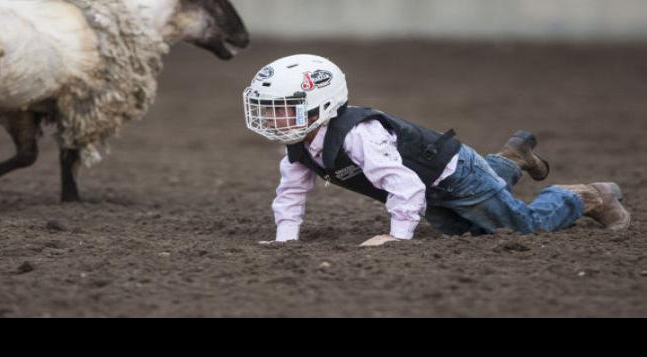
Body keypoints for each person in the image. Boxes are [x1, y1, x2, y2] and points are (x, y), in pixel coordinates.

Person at [242, 54, 631, 247]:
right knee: (470, 231)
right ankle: (511, 159)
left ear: (323, 103)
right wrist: (285, 238)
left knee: (520, 227)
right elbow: (290, 193)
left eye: (283, 110)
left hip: (452, 176)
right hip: (435, 184)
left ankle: (587, 196)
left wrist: (397, 236)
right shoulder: (299, 147)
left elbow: (404, 185)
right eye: (269, 110)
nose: (274, 120)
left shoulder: (359, 136)